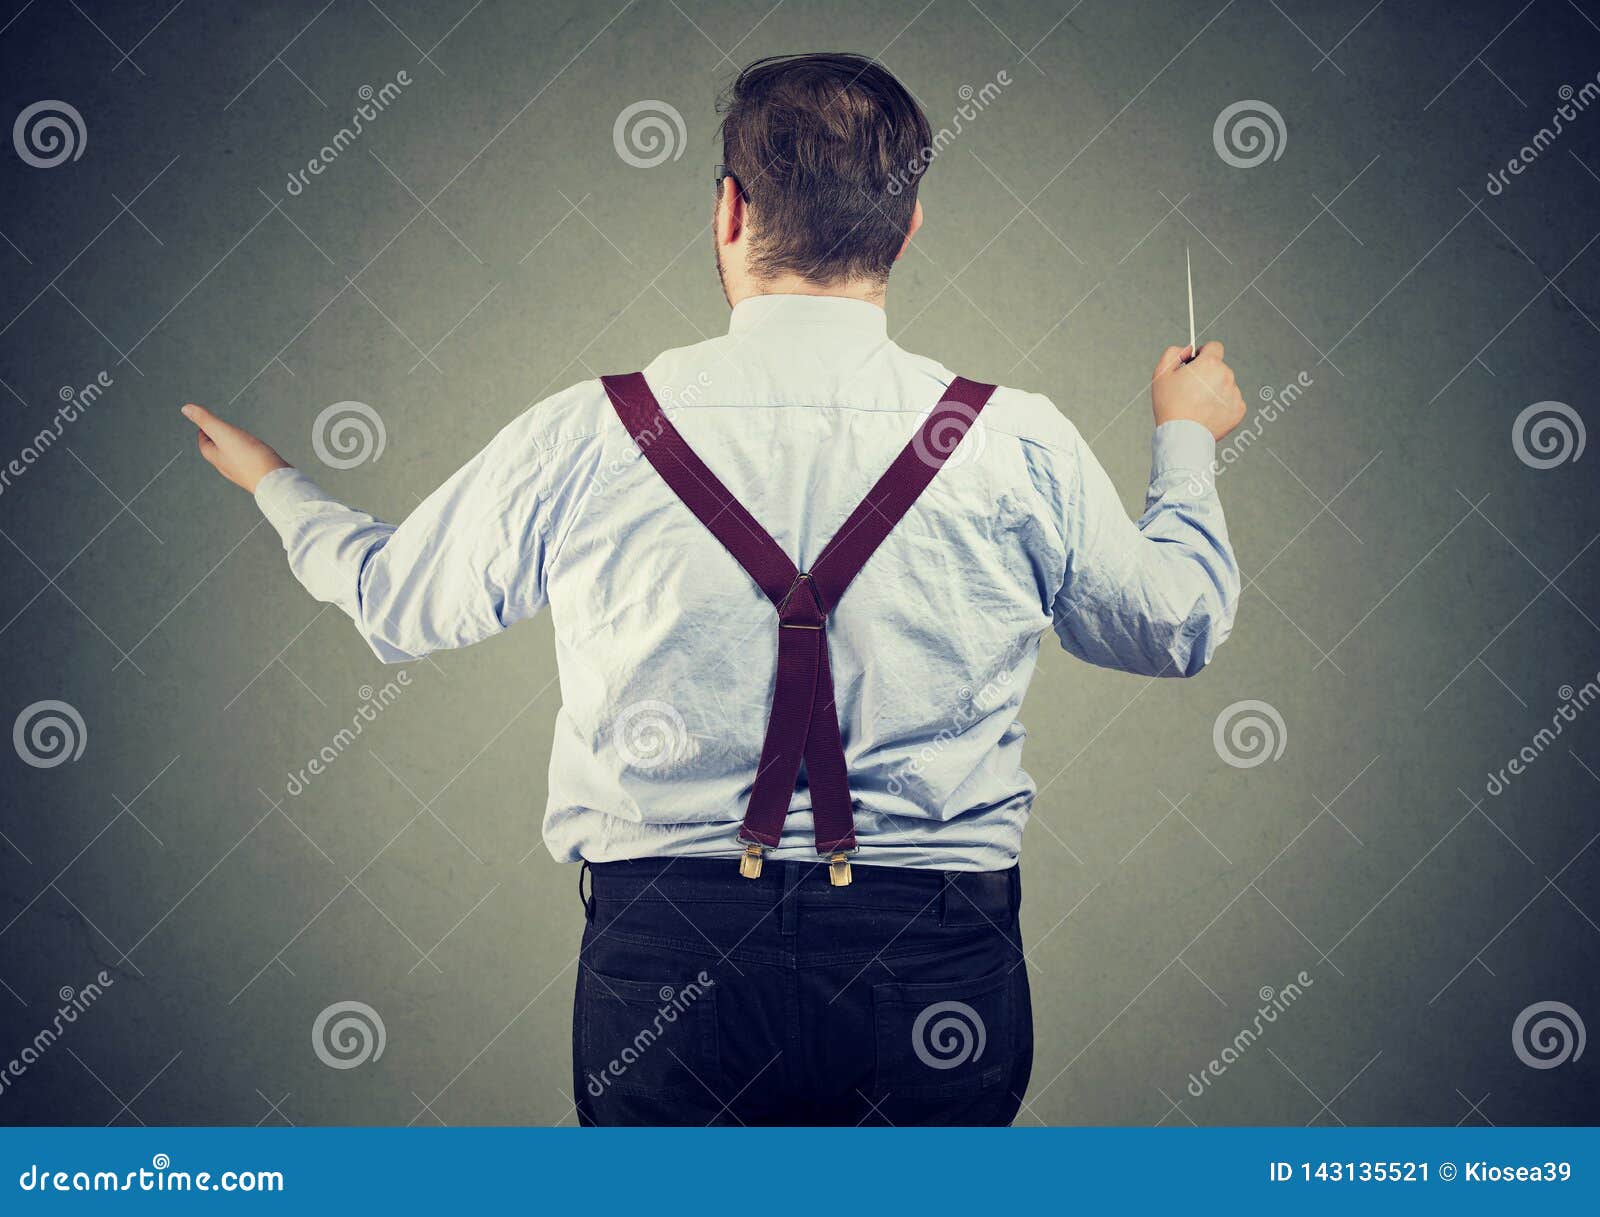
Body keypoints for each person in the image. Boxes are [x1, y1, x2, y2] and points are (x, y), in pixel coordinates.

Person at [181, 52, 1245, 1126]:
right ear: (909, 222)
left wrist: (281, 487)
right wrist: (1184, 440)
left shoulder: (589, 431)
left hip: (667, 961)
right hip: (929, 958)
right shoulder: (1014, 439)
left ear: (729, 211)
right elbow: (1175, 625)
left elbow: (392, 600)